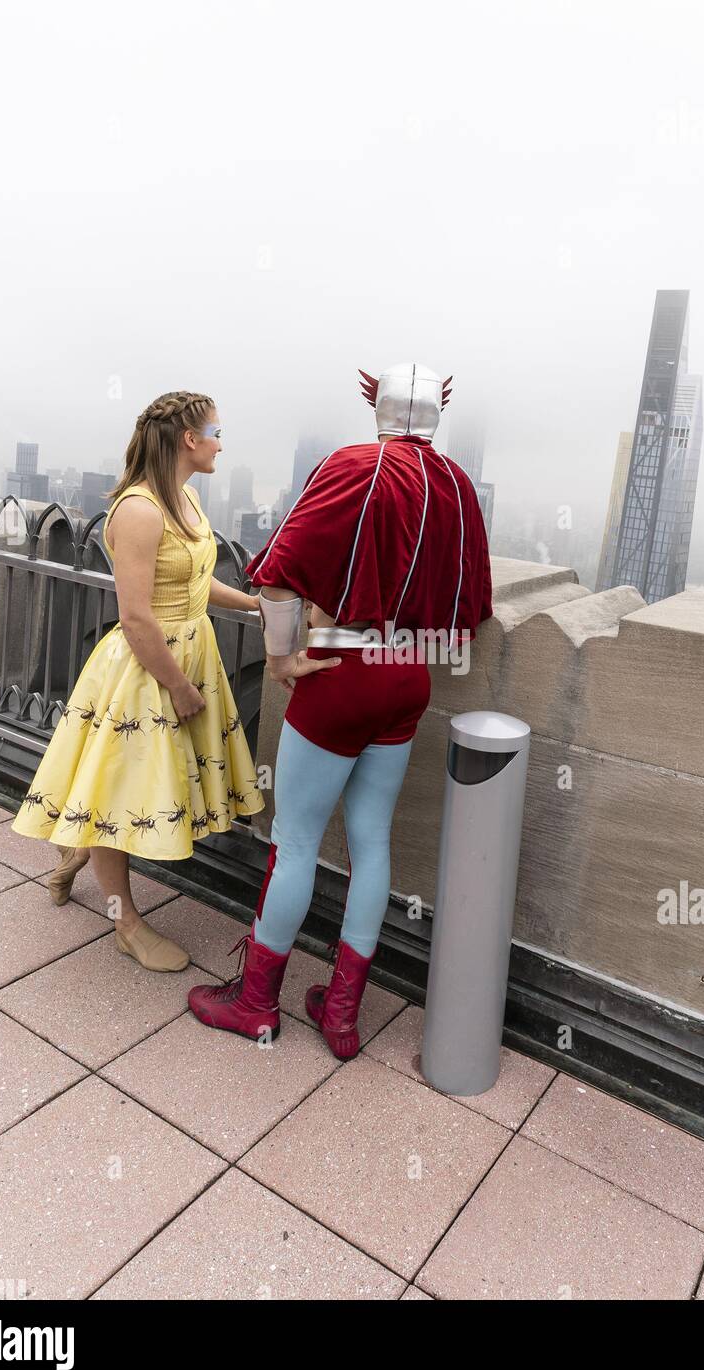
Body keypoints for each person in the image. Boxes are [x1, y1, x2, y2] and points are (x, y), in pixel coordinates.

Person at [188, 364, 493, 1057]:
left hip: (344, 671)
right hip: (406, 675)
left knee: (294, 842)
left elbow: (282, 573)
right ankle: (342, 1016)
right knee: (372, 843)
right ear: (437, 413)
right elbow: (469, 602)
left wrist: (283, 656)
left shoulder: (356, 465)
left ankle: (256, 1003)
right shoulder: (456, 485)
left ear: (375, 406)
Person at [11, 391, 265, 970]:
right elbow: (136, 616)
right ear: (188, 439)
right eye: (217, 431)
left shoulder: (188, 500)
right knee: (122, 789)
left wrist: (252, 604)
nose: (222, 442)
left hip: (188, 654)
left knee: (126, 788)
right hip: (148, 671)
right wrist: (178, 687)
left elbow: (193, 587)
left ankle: (77, 855)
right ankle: (123, 921)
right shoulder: (140, 510)